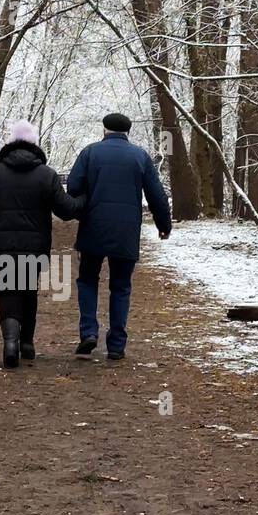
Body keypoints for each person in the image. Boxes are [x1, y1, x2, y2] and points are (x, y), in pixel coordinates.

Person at [0, 120, 83, 369]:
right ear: (34, 145)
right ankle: (27, 343)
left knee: (8, 291)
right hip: (34, 246)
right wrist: (85, 201)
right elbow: (66, 210)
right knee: (28, 290)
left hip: (1, 246)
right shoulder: (47, 175)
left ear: (11, 144)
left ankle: (10, 342)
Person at [66, 113, 172, 361]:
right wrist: (163, 225)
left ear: (104, 130)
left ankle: (88, 333)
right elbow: (157, 194)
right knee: (121, 286)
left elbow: (72, 187)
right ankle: (116, 345)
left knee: (88, 280)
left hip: (93, 227)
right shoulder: (140, 156)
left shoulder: (90, 153)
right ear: (128, 132)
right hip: (126, 231)